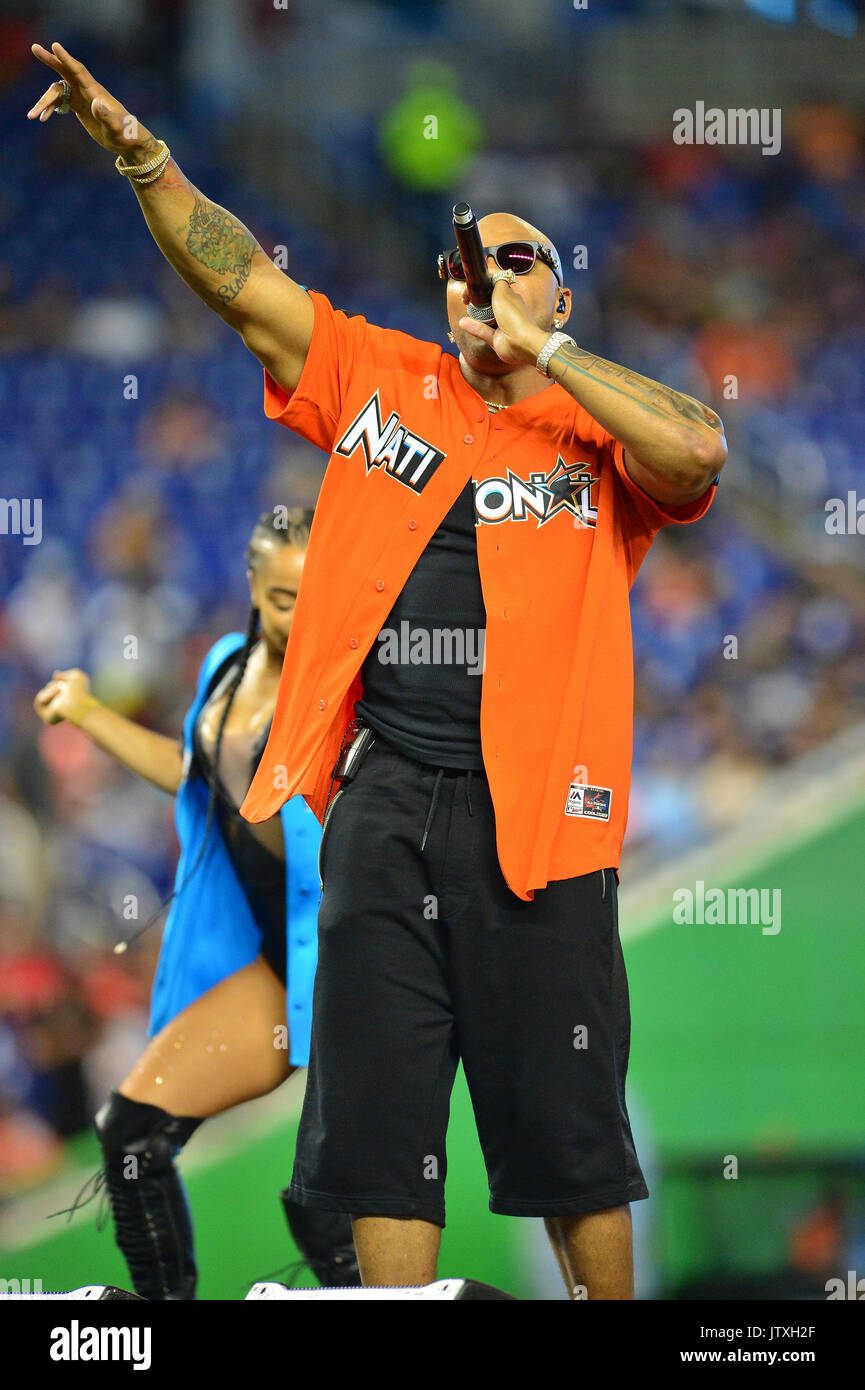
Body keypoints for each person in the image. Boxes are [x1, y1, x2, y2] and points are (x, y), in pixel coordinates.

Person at [28, 43, 727, 1298]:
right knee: (374, 1133)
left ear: (559, 301)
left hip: (545, 831)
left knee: (570, 1140)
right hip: (384, 804)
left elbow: (696, 446)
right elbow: (240, 284)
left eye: (519, 261)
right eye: (470, 264)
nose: (487, 278)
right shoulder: (380, 381)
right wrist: (142, 156)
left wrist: (549, 357)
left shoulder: (590, 430)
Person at [34, 509, 360, 1298]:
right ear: (251, 584)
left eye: (316, 595)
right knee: (131, 1137)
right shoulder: (225, 663)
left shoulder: (351, 683)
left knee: (319, 1203)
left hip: (352, 961)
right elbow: (195, 772)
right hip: (273, 957)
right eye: (283, 597)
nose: (300, 614)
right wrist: (87, 713)